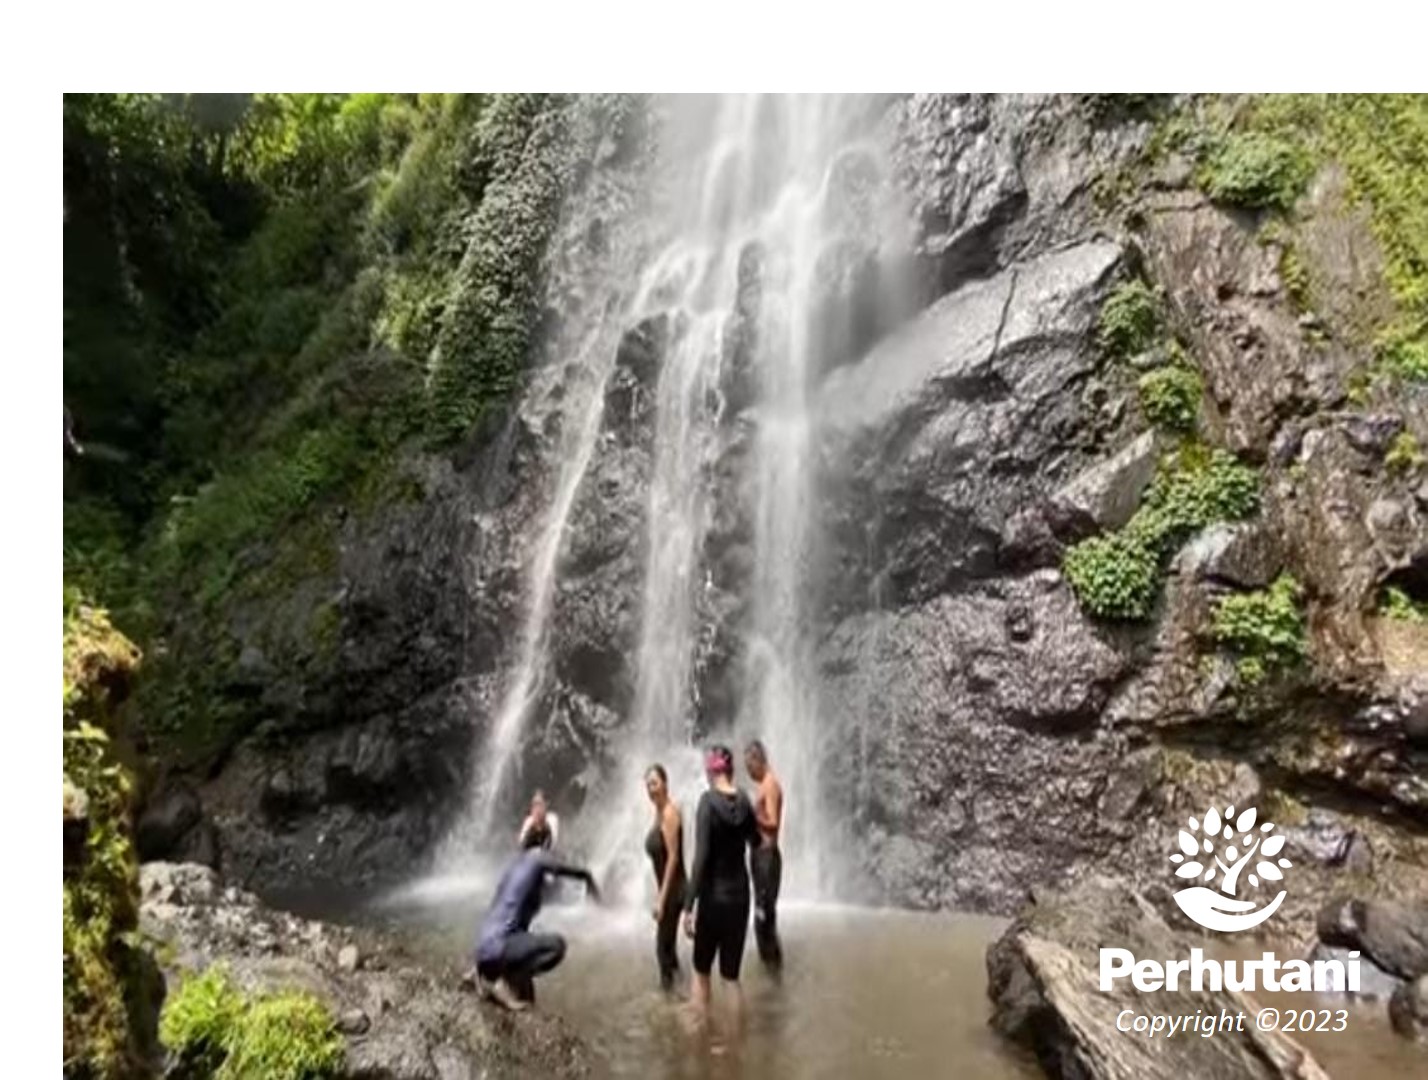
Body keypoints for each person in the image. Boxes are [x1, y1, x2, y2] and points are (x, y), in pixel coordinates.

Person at [466, 846, 599, 1011]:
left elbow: (504, 921)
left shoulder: (514, 870)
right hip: (498, 947)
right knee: (556, 946)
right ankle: (502, 984)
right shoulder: (536, 858)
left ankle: (481, 973)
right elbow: (563, 868)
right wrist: (587, 876)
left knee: (529, 995)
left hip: (486, 949)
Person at [682, 744, 759, 1027]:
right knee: (731, 977)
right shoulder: (745, 800)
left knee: (701, 971)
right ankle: (737, 1046)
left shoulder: (707, 802)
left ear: (710, 770)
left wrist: (688, 906)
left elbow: (700, 857)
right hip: (740, 898)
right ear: (731, 770)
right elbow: (757, 841)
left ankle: (697, 1045)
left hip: (714, 899)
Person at [644, 763, 686, 992]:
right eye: (648, 785)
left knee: (662, 949)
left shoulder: (670, 813)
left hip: (675, 890)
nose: (651, 789)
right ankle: (682, 991)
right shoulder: (659, 812)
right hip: (669, 890)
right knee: (668, 948)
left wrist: (661, 899)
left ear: (665, 784)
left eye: (655, 783)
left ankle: (668, 1002)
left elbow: (673, 859)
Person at [744, 739, 784, 971]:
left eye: (750, 767)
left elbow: (773, 822)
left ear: (758, 760)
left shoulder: (770, 785)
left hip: (767, 858)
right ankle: (770, 970)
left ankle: (773, 971)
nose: (748, 772)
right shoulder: (764, 785)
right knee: (762, 918)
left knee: (763, 918)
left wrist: (751, 815)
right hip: (761, 858)